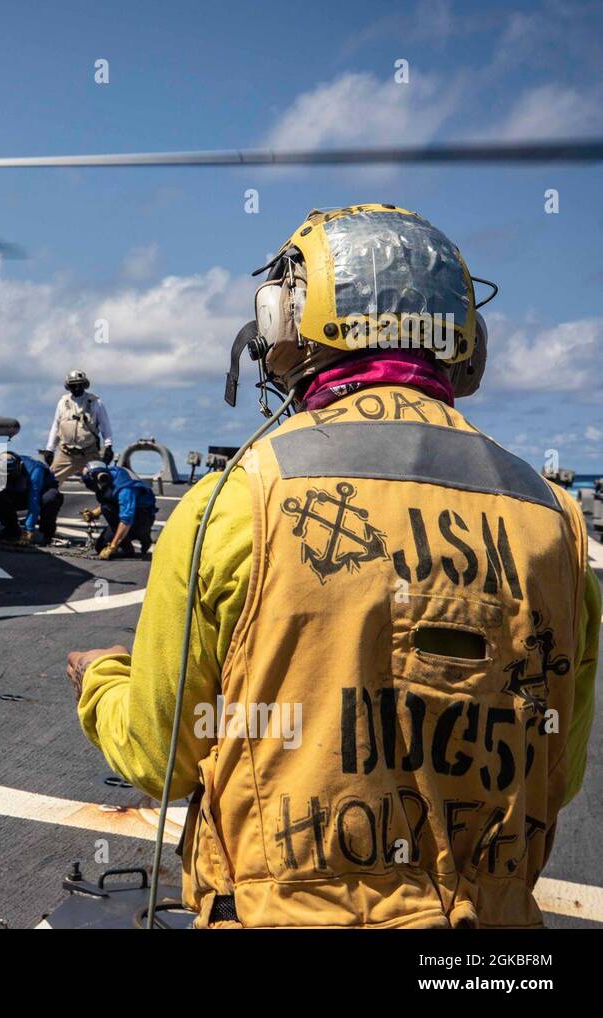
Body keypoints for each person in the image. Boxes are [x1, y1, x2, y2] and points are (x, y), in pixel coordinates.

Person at [67, 204, 598, 929]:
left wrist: (102, 679)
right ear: (465, 337)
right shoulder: (559, 524)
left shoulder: (236, 499)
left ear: (291, 319)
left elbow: (160, 753)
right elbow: (557, 774)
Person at [44, 369, 113, 482]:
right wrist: (50, 449)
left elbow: (105, 425)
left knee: (101, 482)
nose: (76, 388)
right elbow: (56, 426)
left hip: (89, 453)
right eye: (73, 386)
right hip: (66, 453)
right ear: (68, 387)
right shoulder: (62, 402)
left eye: (79, 385)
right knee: (49, 483)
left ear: (84, 385)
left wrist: (108, 446)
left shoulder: (96, 402)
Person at [80, 461, 157, 559]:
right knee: (100, 546)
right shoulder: (111, 474)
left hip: (141, 518)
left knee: (106, 509)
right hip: (133, 514)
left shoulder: (125, 489)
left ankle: (131, 546)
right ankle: (142, 536)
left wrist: (112, 546)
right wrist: (94, 513)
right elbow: (112, 500)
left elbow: (126, 519)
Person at [0, 450, 62, 545]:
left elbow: (34, 501)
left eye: (10, 474)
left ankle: (47, 533)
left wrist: (28, 530)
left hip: (41, 493)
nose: (7, 477)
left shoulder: (36, 470)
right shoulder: (3, 470)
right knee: (1, 499)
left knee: (50, 499)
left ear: (19, 466)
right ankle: (12, 530)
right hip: (22, 493)